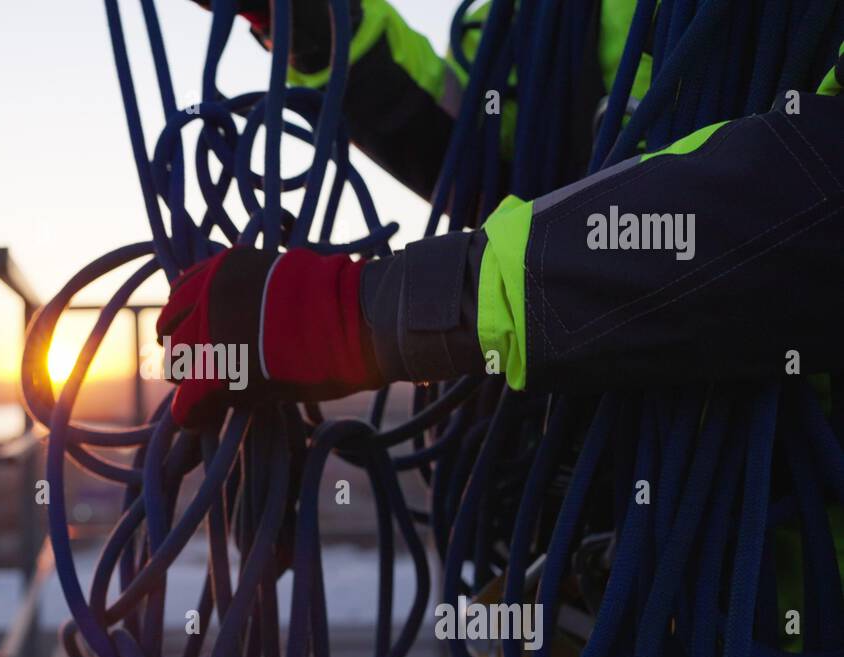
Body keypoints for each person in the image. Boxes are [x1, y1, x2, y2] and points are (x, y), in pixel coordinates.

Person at [160, 0, 844, 429]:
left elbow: (809, 204)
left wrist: (370, 314)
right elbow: (493, 164)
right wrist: (318, 29)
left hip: (801, 604)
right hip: (602, 568)